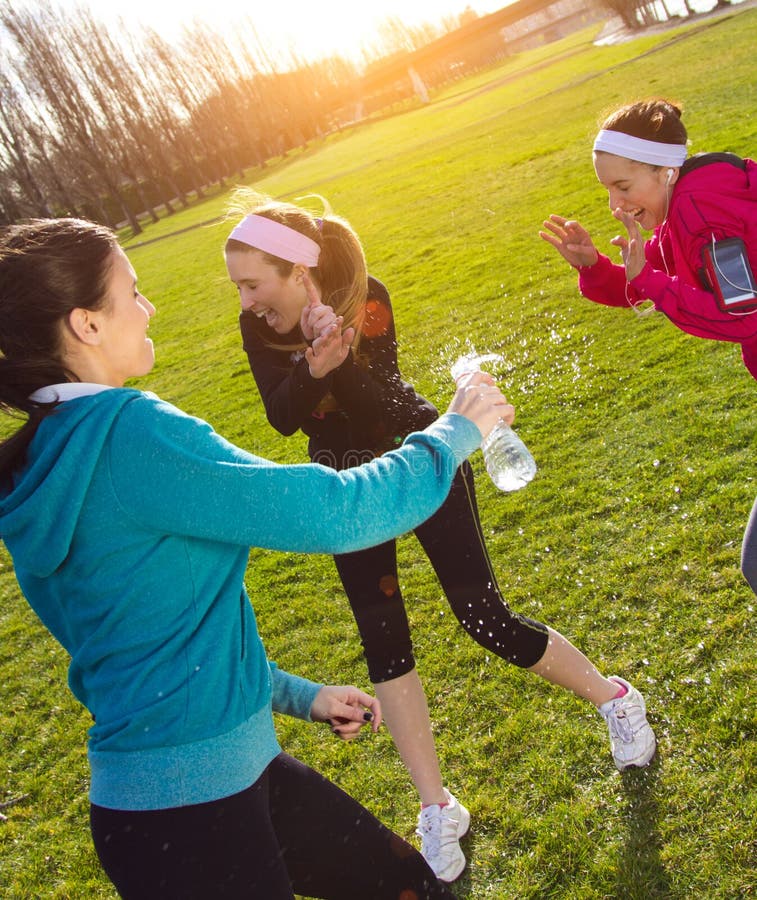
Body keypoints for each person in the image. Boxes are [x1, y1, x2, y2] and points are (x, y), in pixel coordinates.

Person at [0, 217, 518, 900]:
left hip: (199, 786)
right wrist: (451, 432)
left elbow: (146, 639)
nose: (149, 307)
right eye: (133, 291)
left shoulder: (33, 462)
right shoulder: (132, 433)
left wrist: (298, 696)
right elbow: (333, 513)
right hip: (190, 814)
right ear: (87, 325)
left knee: (409, 887)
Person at [224, 194, 657, 882]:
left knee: (482, 618)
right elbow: (282, 419)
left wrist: (337, 360)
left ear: (297, 270)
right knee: (384, 644)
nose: (245, 301)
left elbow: (384, 407)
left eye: (252, 283)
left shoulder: (369, 299)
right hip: (345, 488)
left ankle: (614, 698)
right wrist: (310, 365)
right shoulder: (260, 328)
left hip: (422, 461)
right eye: (238, 287)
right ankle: (437, 807)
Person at [539, 98, 757, 598]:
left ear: (664, 169)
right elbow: (645, 281)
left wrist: (651, 282)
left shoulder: (703, 208)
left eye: (623, 186)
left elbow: (742, 317)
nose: (617, 205)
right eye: (608, 190)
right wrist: (592, 264)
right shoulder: (679, 207)